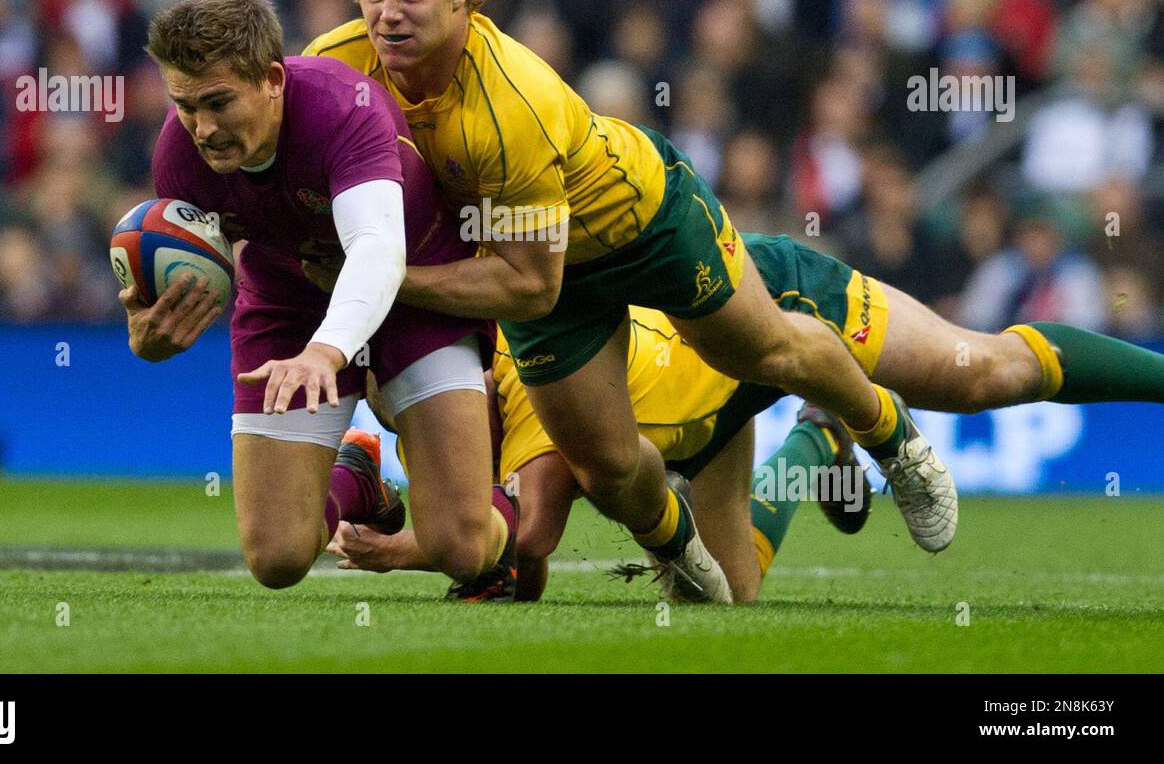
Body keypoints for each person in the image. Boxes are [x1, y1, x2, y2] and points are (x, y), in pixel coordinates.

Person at [303, 0, 955, 603]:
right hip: (538, 267)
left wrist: (383, 275)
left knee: (762, 350)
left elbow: (529, 290)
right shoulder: (334, 69)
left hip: (637, 224)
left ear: (464, 1)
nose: (386, 12)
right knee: (611, 469)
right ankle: (682, 545)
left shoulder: (507, 105)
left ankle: (892, 438)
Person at [329, 232, 1164, 602]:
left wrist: (396, 551)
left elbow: (534, 529)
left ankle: (854, 410)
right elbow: (519, 569)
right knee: (728, 599)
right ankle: (819, 432)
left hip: (759, 301)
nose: (391, 392)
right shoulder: (445, 406)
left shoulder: (519, 374)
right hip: (707, 414)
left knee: (979, 374)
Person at [123, 0, 517, 598]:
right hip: (288, 297)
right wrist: (149, 332)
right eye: (184, 106)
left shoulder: (341, 107)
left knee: (461, 549)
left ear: (272, 79)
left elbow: (377, 251)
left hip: (418, 290)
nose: (202, 128)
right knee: (277, 560)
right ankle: (359, 477)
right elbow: (199, 270)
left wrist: (328, 352)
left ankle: (512, 503)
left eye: (218, 102)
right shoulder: (179, 156)